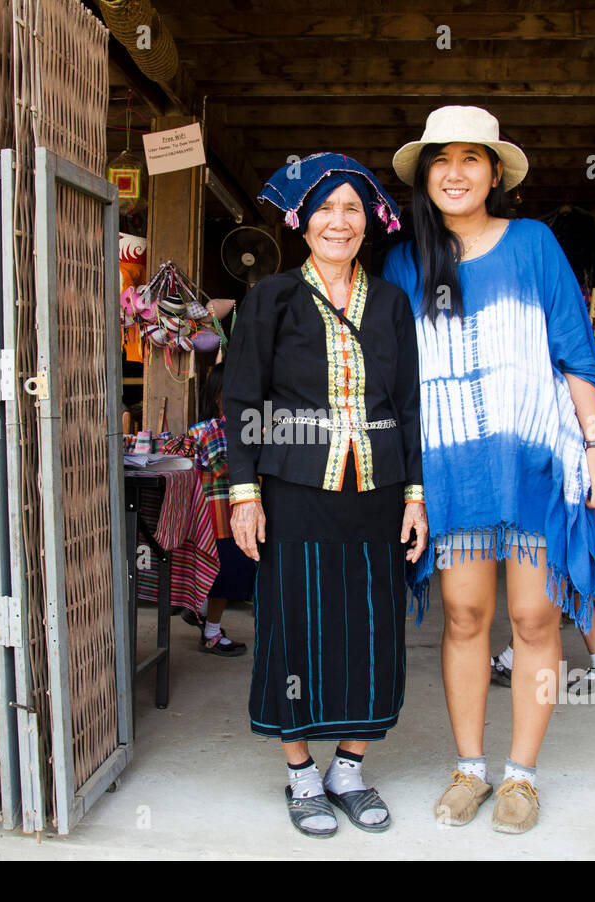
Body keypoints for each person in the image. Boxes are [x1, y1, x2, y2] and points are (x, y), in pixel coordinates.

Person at [382, 106, 595, 834]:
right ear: (425, 177)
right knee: (463, 615)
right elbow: (389, 375)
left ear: (494, 174)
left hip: (533, 461)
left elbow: (577, 350)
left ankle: (521, 775)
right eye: (441, 160)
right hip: (451, 469)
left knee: (533, 615)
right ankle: (468, 768)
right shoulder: (403, 262)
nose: (454, 172)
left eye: (471, 159)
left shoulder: (536, 244)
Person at [223, 153, 428, 838]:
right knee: (294, 623)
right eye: (325, 209)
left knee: (373, 625)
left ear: (369, 221)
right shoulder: (272, 298)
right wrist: (244, 492)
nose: (339, 221)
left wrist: (415, 495)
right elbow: (243, 398)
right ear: (301, 221)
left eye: (352, 209)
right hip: (295, 488)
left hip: (378, 487)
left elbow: (409, 404)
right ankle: (303, 772)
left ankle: (350, 768)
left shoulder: (392, 304)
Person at [491, 338, 595, 694]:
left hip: (588, 533)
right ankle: (510, 657)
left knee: (564, 594)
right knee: (551, 596)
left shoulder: (589, 426)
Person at [182, 361, 251, 657]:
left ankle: (199, 612)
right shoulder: (212, 429)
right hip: (217, 516)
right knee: (225, 575)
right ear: (217, 396)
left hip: (225, 513)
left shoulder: (237, 427)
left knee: (222, 572)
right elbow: (225, 469)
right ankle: (210, 633)